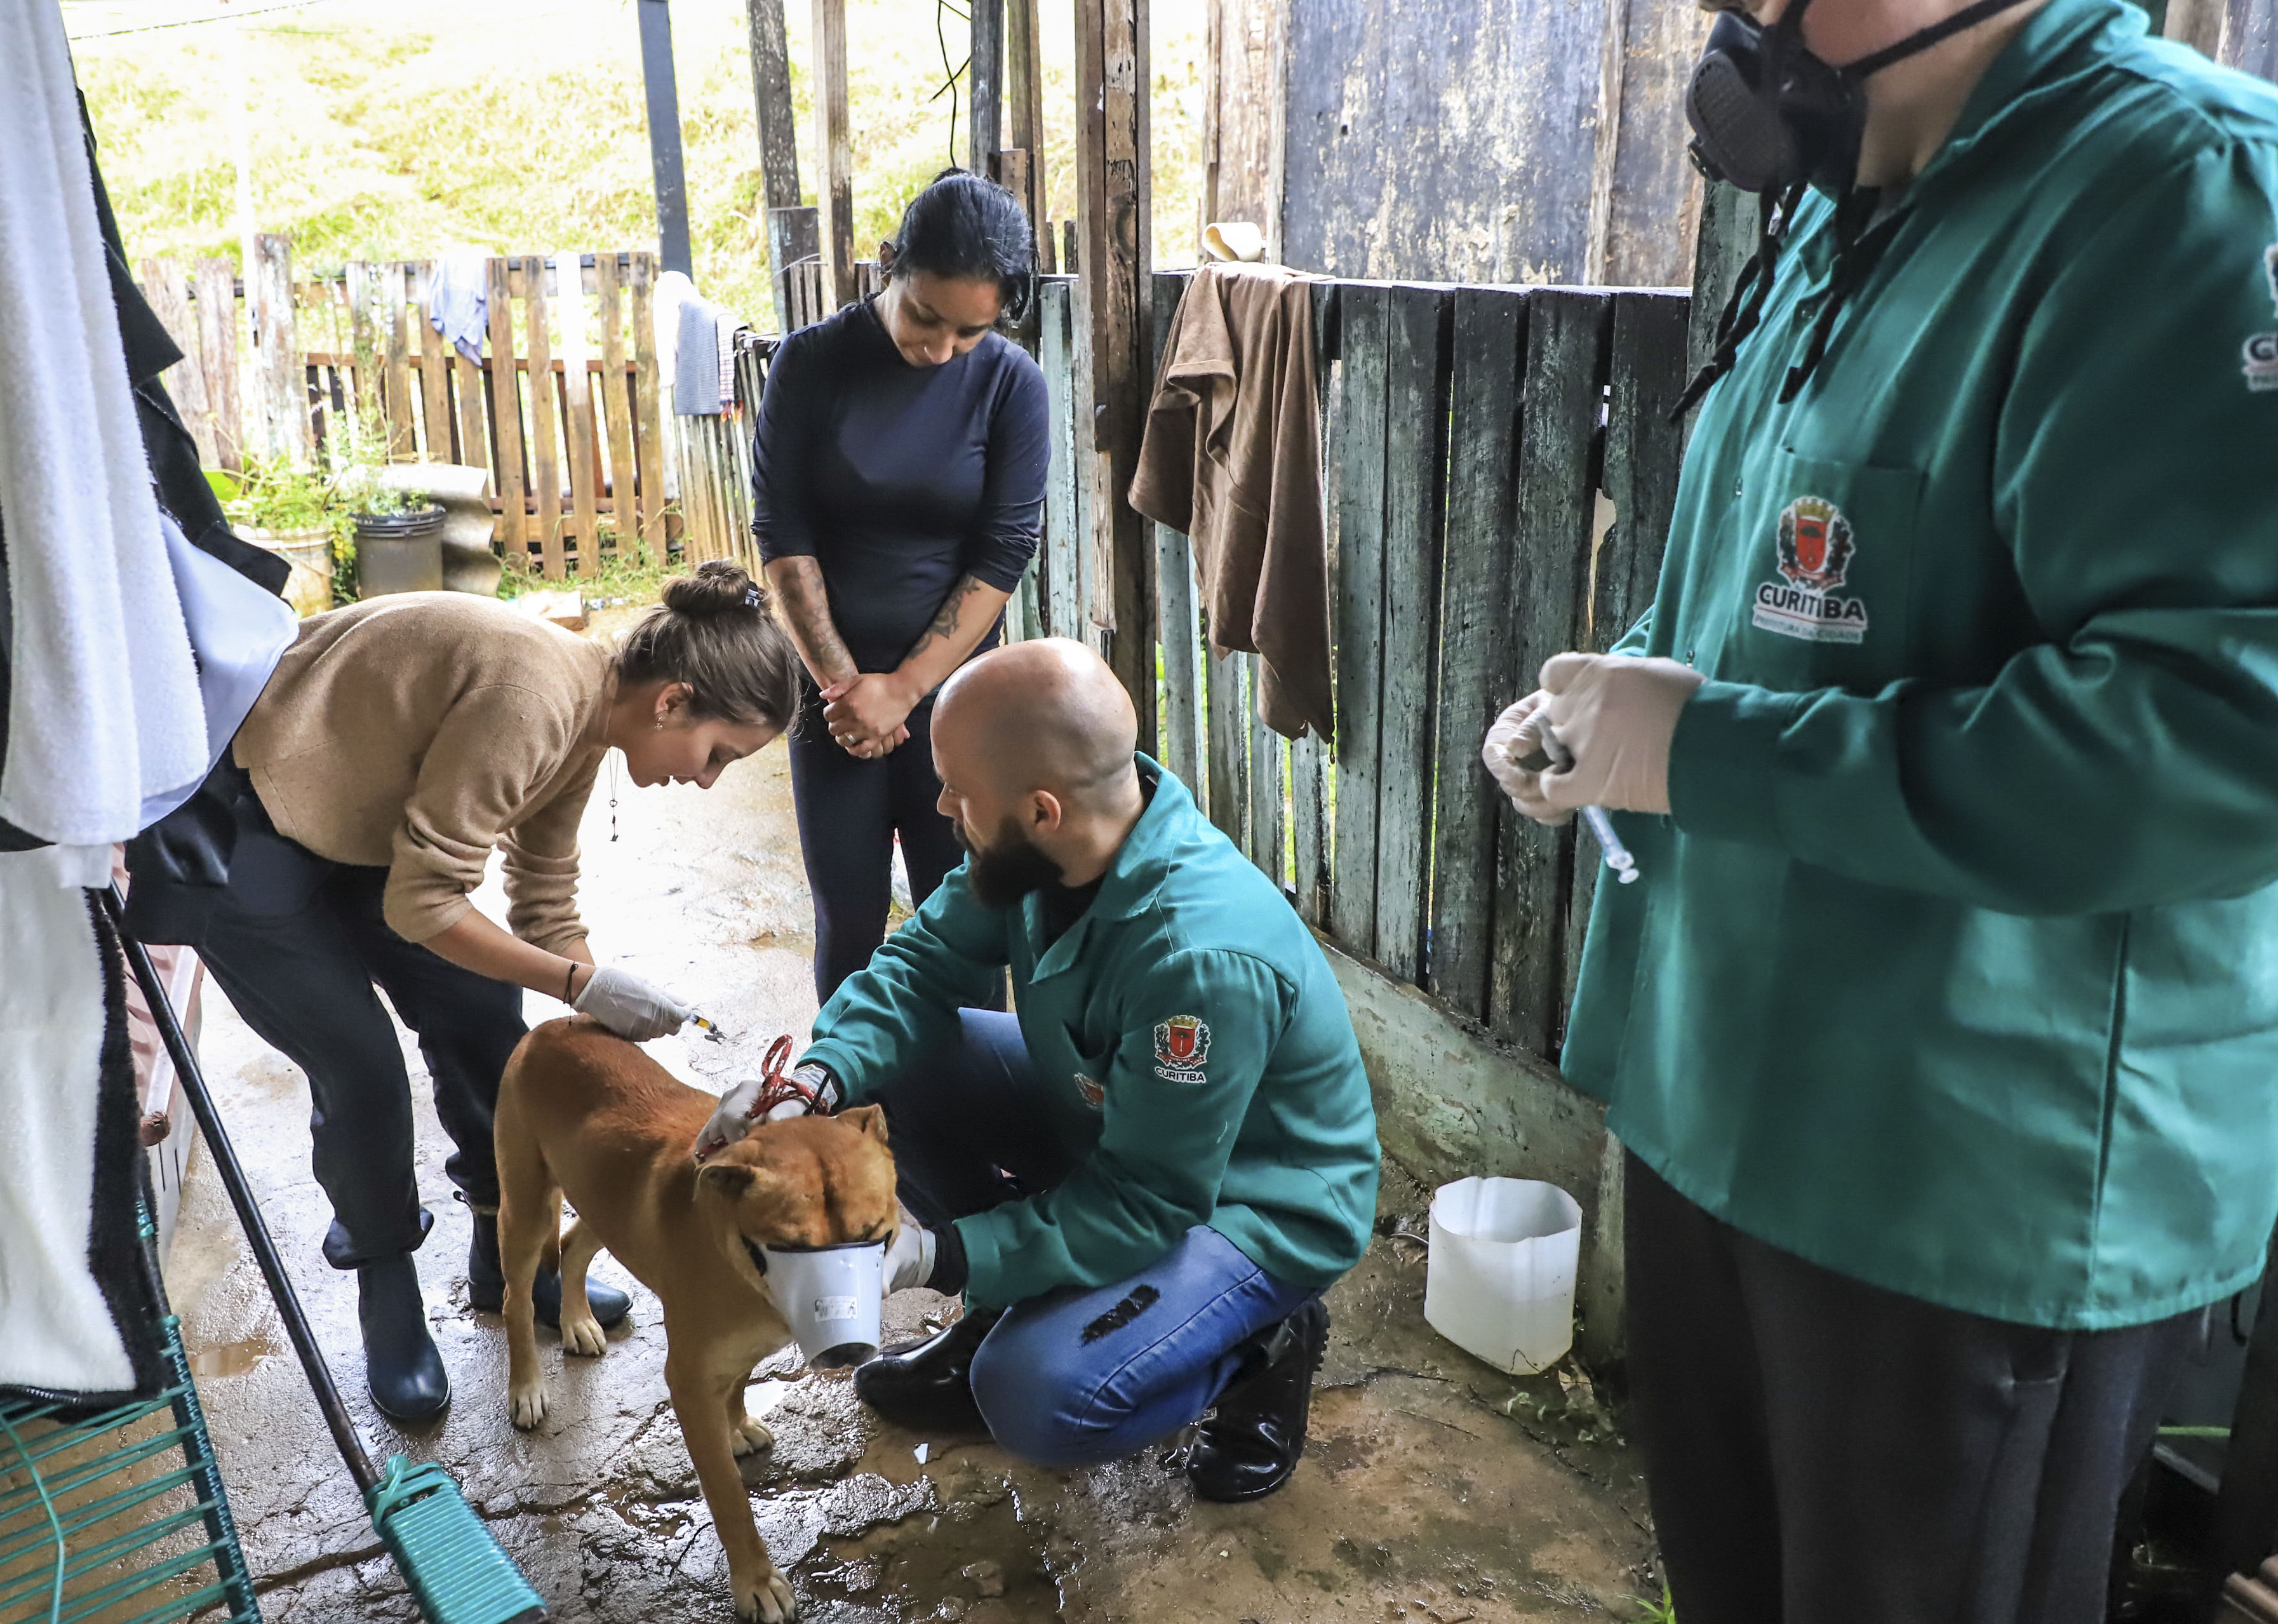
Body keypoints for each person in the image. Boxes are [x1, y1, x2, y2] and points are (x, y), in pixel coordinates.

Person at [1480, 0, 2278, 1608]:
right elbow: (1778, 621)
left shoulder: (2182, 200)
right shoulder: (1857, 211)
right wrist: (1606, 713)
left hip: (1959, 1186)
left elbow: (2224, 738)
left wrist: (1701, 753)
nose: (1735, 53)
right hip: (1723, 1106)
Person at [698, 639, 1380, 1500]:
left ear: (1043, 808)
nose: (943, 804)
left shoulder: (1198, 960)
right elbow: (918, 965)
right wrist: (814, 1082)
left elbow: (1149, 1199)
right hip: (1111, 1119)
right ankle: (1012, 1299)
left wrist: (941, 1255)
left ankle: (1261, 1349)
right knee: (885, 1068)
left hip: (1248, 1201)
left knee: (1038, 1397)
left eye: (959, 791)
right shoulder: (1035, 851)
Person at [130, 562, 796, 1423]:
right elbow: (422, 903)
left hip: (364, 824)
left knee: (485, 1015)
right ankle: (385, 1284)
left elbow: (544, 898)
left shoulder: (592, 721)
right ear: (672, 702)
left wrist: (597, 994)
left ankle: (504, 1248)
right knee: (360, 1063)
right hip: (243, 817)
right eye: (718, 756)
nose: (707, 780)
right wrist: (576, 980)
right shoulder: (533, 694)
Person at [752, 168, 1050, 1004]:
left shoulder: (1011, 387)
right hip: (832, 698)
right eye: (925, 316)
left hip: (958, 703)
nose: (940, 349)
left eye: (969, 331)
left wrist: (909, 690)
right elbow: (783, 533)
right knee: (847, 920)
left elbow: (1002, 553)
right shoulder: (811, 363)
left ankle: (969, 1125)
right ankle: (844, 1119)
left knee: (964, 917)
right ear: (891, 264)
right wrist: (847, 688)